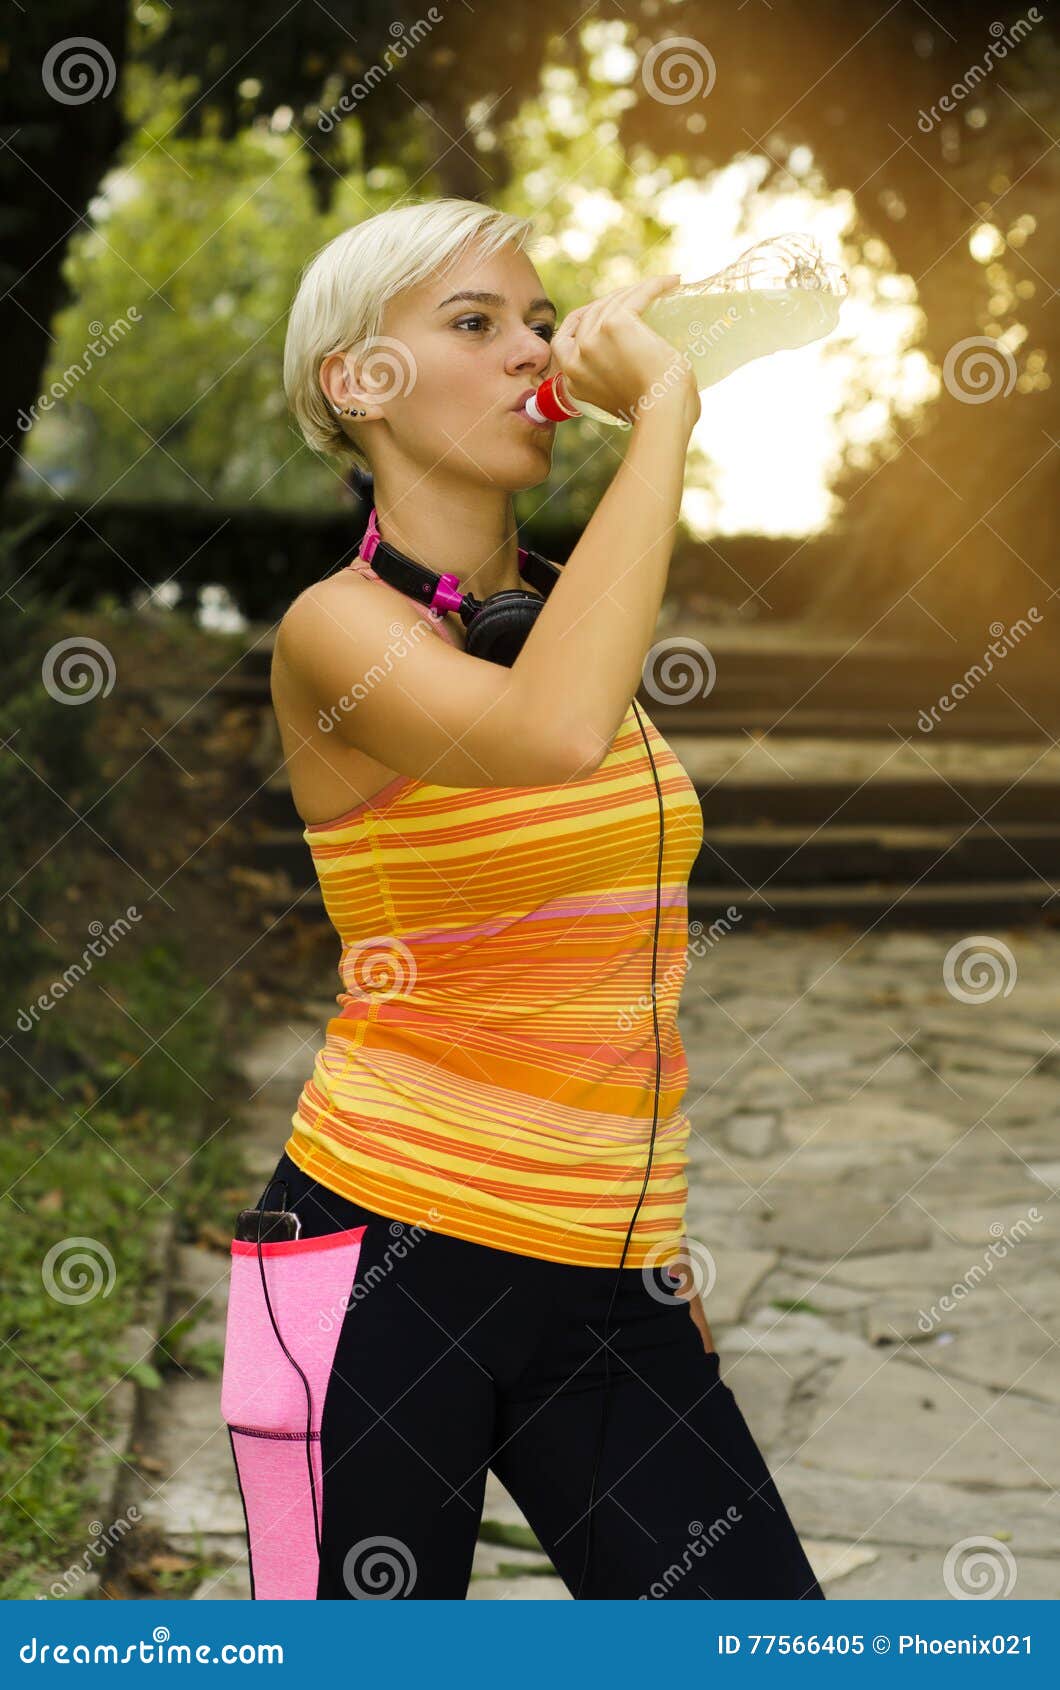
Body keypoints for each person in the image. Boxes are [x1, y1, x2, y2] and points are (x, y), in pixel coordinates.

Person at [224, 196, 823, 1602]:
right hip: (379, 1265)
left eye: (541, 323)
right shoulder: (334, 634)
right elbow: (548, 737)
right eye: (473, 323)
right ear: (357, 385)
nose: (528, 353)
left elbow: (620, 957)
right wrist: (667, 410)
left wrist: (658, 1246)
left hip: (605, 1282)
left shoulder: (566, 616)